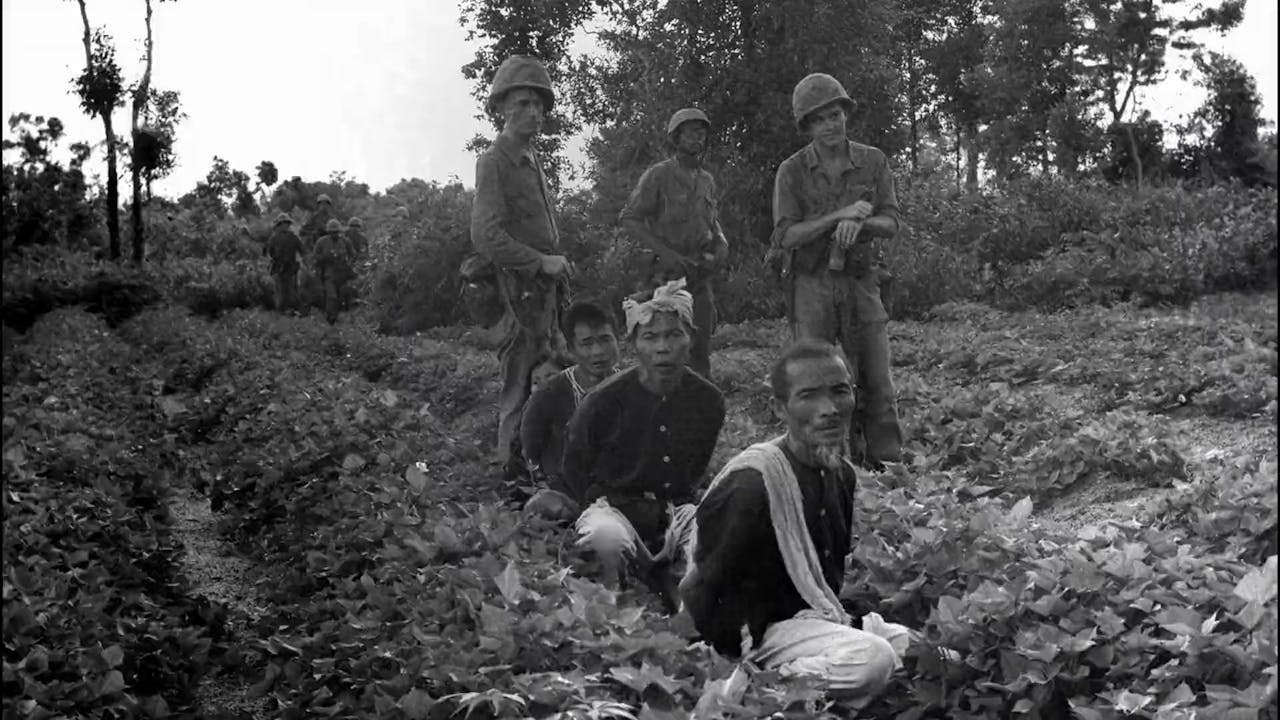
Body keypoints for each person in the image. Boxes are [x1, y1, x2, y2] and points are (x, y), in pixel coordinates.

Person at [680, 340, 909, 711]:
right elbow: (701, 589)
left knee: (923, 651)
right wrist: (720, 658)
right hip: (756, 634)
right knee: (875, 659)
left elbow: (826, 578)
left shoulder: (841, 474)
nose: (829, 409)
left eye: (840, 392)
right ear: (780, 408)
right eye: (809, 396)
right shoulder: (752, 484)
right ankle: (755, 688)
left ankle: (811, 686)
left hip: (812, 619)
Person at [765, 73, 904, 466]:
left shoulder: (873, 161)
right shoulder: (792, 171)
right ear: (807, 126)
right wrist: (837, 217)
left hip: (861, 280)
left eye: (835, 115)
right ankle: (822, 465)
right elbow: (786, 235)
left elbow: (892, 222)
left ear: (845, 115)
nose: (830, 125)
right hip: (812, 285)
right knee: (815, 381)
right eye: (819, 119)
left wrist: (862, 224)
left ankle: (888, 467)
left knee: (878, 381)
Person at [560, 279, 725, 611]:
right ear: (633, 343)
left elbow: (694, 470)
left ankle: (686, 601)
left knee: (717, 540)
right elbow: (574, 467)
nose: (663, 347)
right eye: (650, 337)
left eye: (674, 335)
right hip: (614, 507)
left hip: (675, 510)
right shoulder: (603, 401)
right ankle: (612, 608)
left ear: (691, 339)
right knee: (604, 541)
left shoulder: (708, 401)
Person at [469, 54, 573, 477]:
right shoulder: (494, 160)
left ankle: (541, 470)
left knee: (547, 377)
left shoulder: (531, 158)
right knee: (517, 386)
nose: (534, 112)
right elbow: (485, 236)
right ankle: (509, 482)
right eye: (523, 103)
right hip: (517, 293)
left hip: (542, 293)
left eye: (539, 105)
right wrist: (540, 262)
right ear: (501, 108)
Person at [619, 108, 729, 380]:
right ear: (676, 138)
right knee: (663, 349)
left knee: (700, 346)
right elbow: (630, 219)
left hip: (698, 276)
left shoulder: (706, 180)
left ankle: (700, 402)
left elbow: (711, 221)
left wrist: (721, 244)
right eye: (690, 133)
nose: (697, 138)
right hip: (664, 278)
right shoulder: (658, 175)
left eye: (701, 133)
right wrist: (666, 254)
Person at [521, 300, 621, 511]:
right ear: (571, 349)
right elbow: (529, 452)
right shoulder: (549, 394)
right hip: (568, 498)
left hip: (621, 494)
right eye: (587, 344)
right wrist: (543, 486)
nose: (598, 351)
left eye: (605, 340)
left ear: (617, 340)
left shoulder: (630, 386)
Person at [311, 218, 353, 324]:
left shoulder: (345, 241)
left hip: (342, 274)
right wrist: (325, 257)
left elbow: (353, 255)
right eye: (332, 232)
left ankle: (336, 318)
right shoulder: (321, 242)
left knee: (341, 298)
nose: (335, 234)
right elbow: (315, 257)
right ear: (328, 232)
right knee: (331, 296)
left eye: (336, 232)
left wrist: (348, 264)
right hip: (329, 273)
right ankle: (330, 317)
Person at [264, 212, 303, 314]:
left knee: (292, 290)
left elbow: (302, 250)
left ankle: (292, 309)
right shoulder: (273, 238)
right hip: (278, 267)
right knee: (280, 291)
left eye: (287, 223)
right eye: (283, 223)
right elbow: (269, 252)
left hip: (291, 267)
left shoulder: (293, 237)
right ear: (279, 225)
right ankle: (281, 311)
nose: (286, 226)